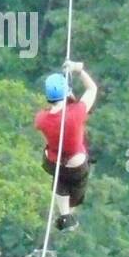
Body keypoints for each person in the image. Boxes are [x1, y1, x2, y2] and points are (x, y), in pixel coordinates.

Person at [34, 59, 98, 231]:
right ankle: (67, 214)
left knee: (60, 178)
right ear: (66, 92)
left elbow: (50, 116)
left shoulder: (42, 118)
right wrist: (79, 69)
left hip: (53, 162)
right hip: (76, 163)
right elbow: (92, 89)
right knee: (77, 186)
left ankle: (65, 215)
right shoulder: (76, 112)